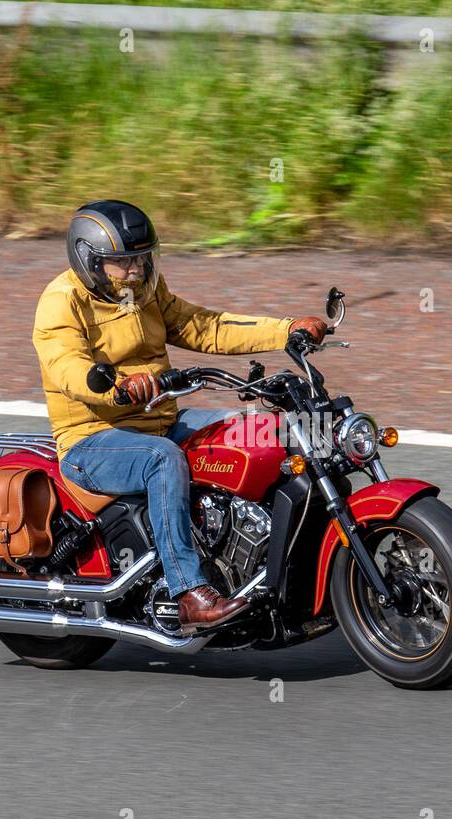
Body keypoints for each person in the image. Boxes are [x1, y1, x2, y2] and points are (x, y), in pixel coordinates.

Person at [33, 199, 328, 631]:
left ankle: (271, 562)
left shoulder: (146, 291)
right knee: (162, 458)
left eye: (140, 257)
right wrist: (117, 386)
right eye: (121, 262)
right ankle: (188, 591)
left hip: (159, 421)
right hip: (91, 438)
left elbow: (204, 326)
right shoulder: (62, 303)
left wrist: (285, 329)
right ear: (89, 260)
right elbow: (68, 367)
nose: (134, 269)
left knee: (262, 433)